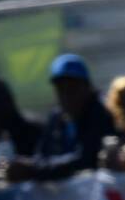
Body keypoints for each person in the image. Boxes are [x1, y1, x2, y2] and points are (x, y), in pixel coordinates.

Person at [7, 54, 116, 182]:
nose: (67, 95)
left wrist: (34, 169)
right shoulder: (56, 117)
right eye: (61, 88)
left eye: (73, 87)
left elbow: (86, 158)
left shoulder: (101, 112)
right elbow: (42, 155)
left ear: (87, 86)